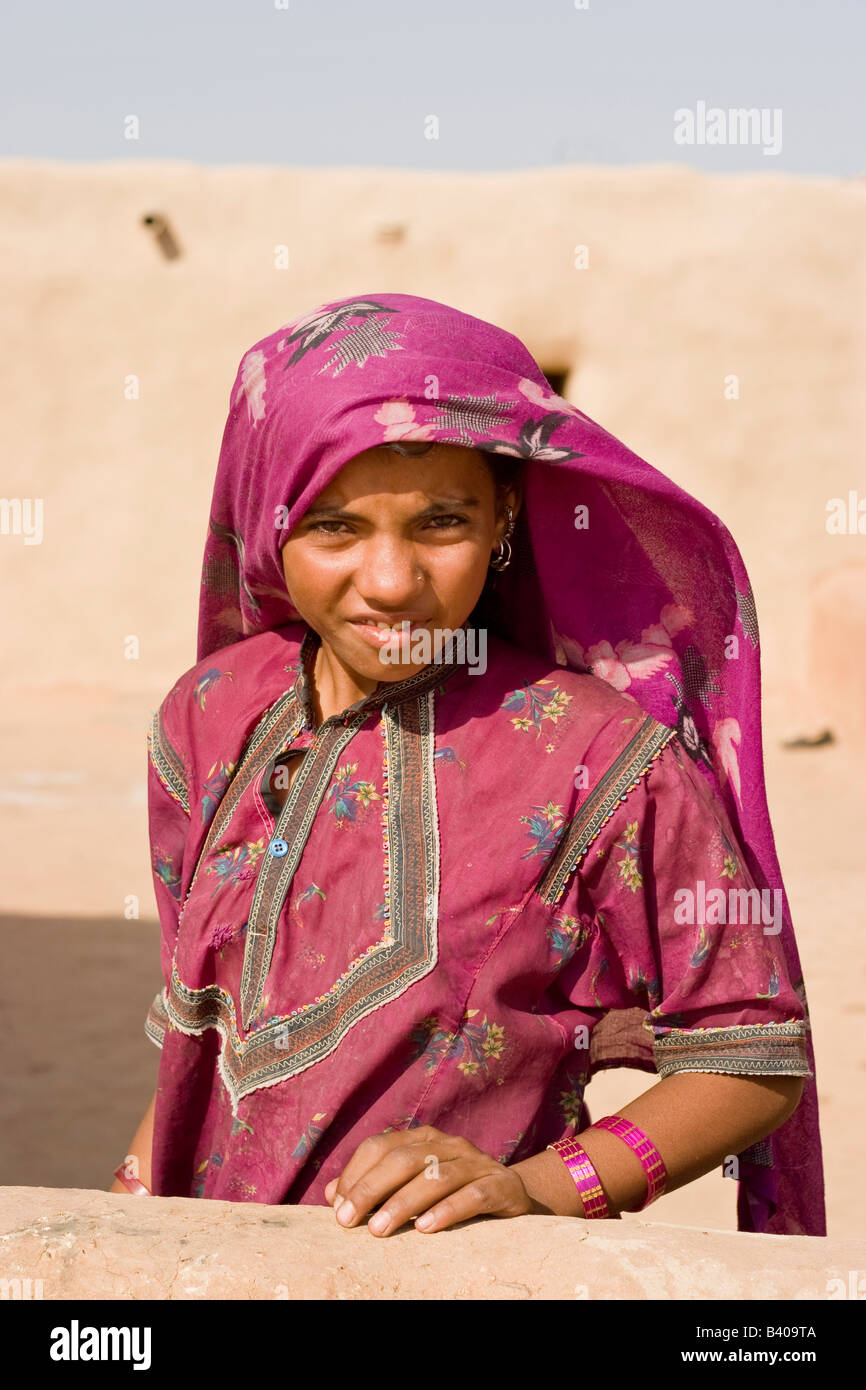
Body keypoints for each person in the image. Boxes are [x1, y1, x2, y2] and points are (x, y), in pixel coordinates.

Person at [110, 292, 824, 1237]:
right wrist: (123, 1212)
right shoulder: (208, 715)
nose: (391, 581)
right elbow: (205, 1026)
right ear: (270, 525)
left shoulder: (601, 759)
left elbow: (751, 1057)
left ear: (503, 522)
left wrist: (532, 1188)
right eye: (332, 528)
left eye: (441, 523)